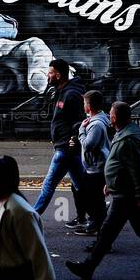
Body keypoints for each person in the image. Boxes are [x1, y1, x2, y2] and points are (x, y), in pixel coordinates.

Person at [65, 100, 140, 280]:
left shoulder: (128, 139)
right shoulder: (123, 133)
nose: (108, 117)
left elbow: (136, 170)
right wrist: (109, 182)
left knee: (108, 232)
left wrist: (139, 197)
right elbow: (119, 164)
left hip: (126, 196)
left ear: (115, 118)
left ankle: (88, 268)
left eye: (111, 115)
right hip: (123, 191)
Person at [33, 59, 88, 218]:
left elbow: (79, 120)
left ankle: (32, 216)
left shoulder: (71, 94)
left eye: (50, 73)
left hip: (65, 148)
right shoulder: (61, 91)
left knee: (48, 185)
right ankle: (98, 211)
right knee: (80, 185)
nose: (47, 76)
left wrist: (72, 142)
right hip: (64, 147)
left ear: (58, 75)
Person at [74, 90, 112, 236]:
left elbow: (89, 145)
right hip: (92, 167)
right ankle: (97, 221)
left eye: (84, 103)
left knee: (91, 199)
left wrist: (81, 130)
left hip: (97, 168)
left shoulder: (95, 125)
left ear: (89, 105)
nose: (83, 105)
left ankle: (97, 225)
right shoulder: (96, 120)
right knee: (88, 195)